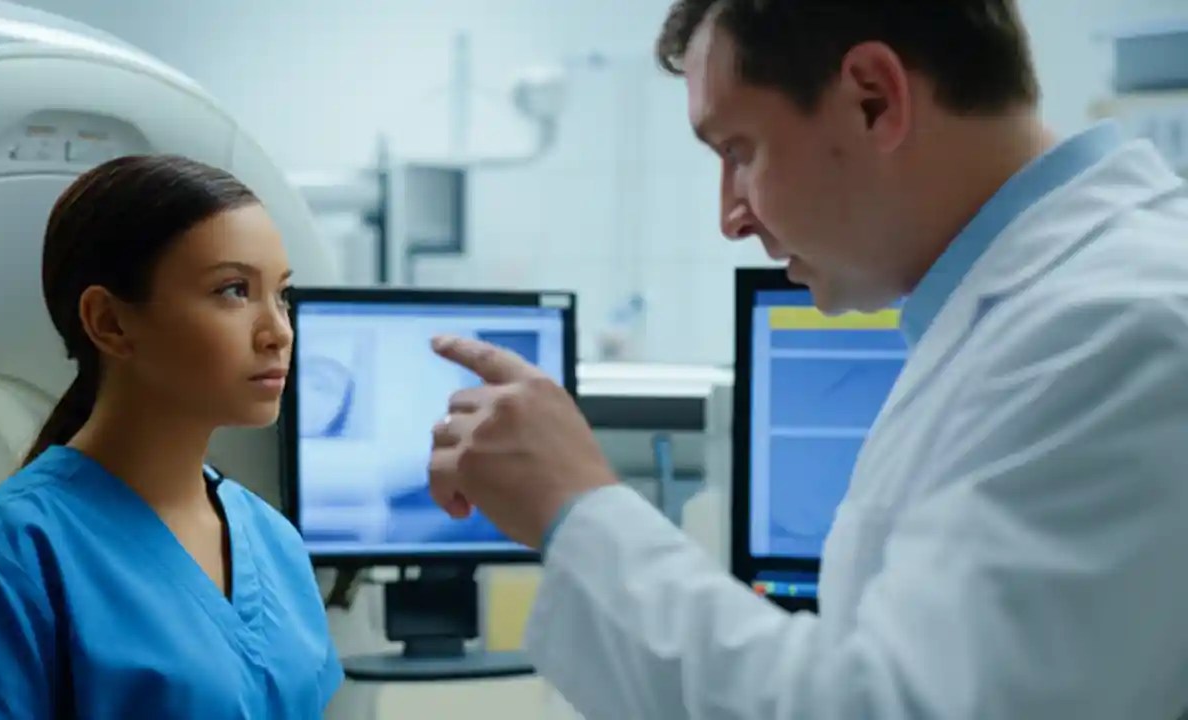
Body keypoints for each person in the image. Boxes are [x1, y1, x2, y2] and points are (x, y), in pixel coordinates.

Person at [427, 1, 1188, 718]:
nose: (731, 215)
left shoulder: (1115, 332)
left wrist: (578, 508)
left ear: (873, 100)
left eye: (738, 150)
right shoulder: (1019, 314)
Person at [0, 155, 343, 717]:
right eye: (234, 291)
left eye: (280, 294)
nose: (278, 331)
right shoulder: (4, 558)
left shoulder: (275, 543)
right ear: (110, 322)